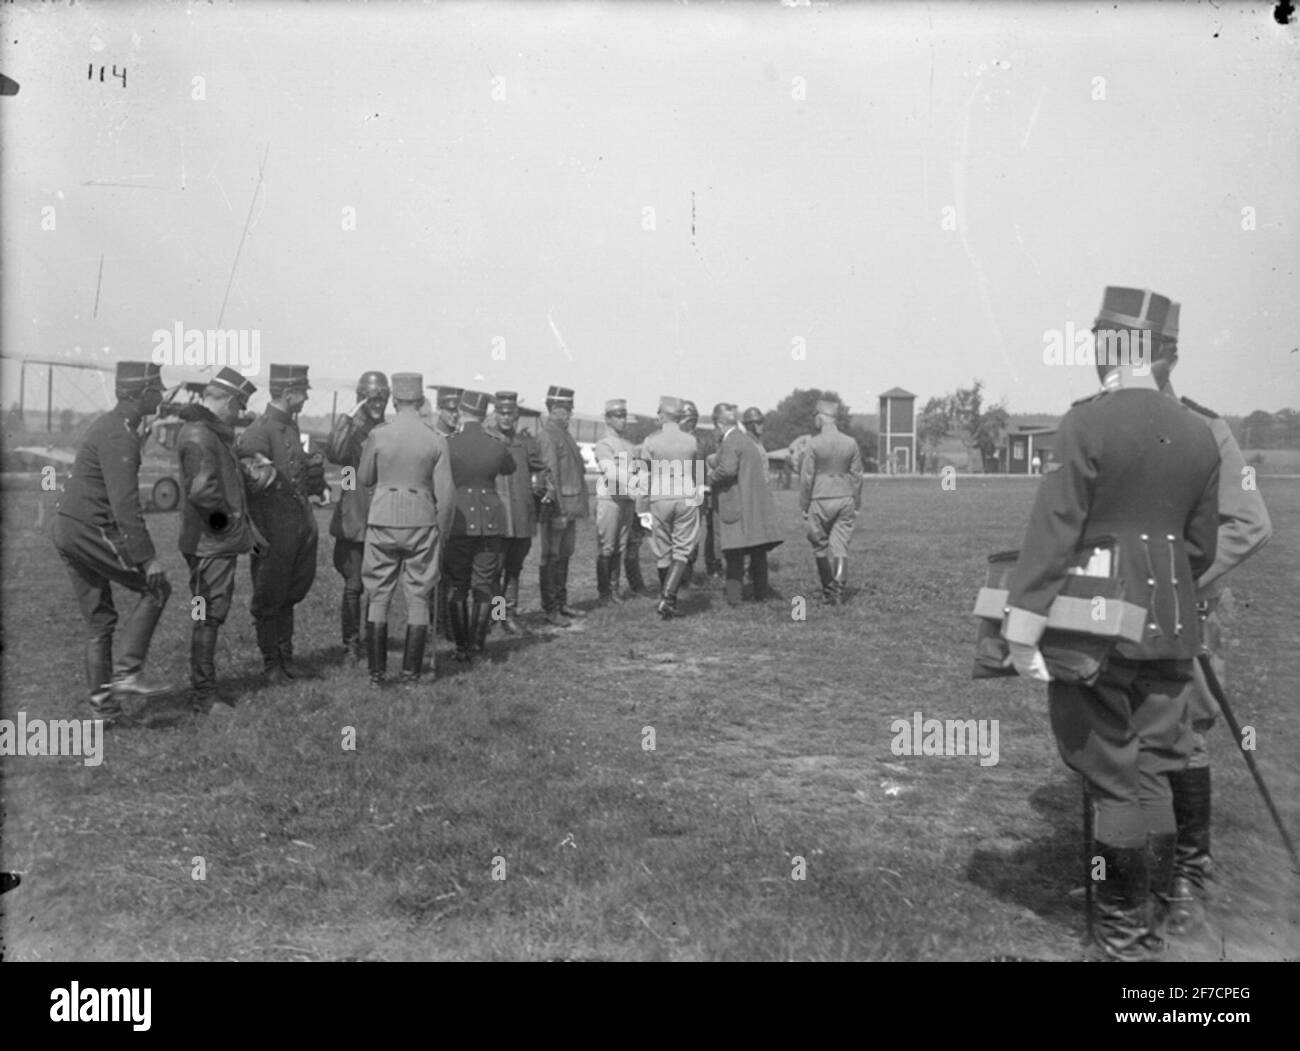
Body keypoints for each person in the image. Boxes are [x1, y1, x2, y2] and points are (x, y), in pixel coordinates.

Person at [1002, 286, 1220, 961]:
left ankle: (1122, 947)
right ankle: (1154, 925)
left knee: (1114, 779)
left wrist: (1020, 624)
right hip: (1173, 627)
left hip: (1096, 630)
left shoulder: (1085, 424)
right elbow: (1201, 547)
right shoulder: (1198, 430)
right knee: (1156, 768)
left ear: (1114, 346)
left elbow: (1053, 533)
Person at [1154, 302, 1273, 935]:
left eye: (1141, 353)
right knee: (1119, 726)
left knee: (1185, 733)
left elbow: (1251, 524)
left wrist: (1176, 580)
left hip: (1187, 610)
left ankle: (1189, 874)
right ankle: (1126, 863)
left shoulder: (1206, 430)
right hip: (1111, 611)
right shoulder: (1094, 426)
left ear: (1171, 355)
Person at [52, 361, 172, 724]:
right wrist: (147, 558)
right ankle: (127, 673)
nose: (162, 394)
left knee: (100, 620)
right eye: (156, 389)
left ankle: (102, 709)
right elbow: (125, 505)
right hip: (91, 528)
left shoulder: (113, 426)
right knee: (157, 589)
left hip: (67, 528)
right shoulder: (120, 435)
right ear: (138, 394)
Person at [357, 373, 454, 686]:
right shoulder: (435, 437)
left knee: (378, 594)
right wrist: (442, 531)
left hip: (383, 519)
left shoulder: (379, 434)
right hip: (422, 521)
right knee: (418, 596)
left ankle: (376, 674)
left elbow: (364, 477)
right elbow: (447, 496)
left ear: (394, 401)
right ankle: (411, 673)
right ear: (422, 401)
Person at [176, 367, 263, 713]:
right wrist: (230, 528)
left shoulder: (205, 432)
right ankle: (204, 696)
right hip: (209, 545)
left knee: (205, 612)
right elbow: (203, 493)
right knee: (208, 614)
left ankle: (202, 690)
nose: (239, 413)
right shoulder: (200, 435)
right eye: (238, 406)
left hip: (206, 543)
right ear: (226, 401)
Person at [235, 363, 327, 685]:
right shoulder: (259, 431)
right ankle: (271, 663)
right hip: (271, 531)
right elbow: (250, 481)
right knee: (269, 596)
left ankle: (287, 659)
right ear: (288, 393)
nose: (305, 399)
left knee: (290, 593)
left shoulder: (289, 427)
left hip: (298, 527)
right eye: (302, 393)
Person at [444, 391, 517, 661]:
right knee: (485, 583)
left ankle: (461, 648)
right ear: (486, 414)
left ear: (461, 412)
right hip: (490, 521)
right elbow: (509, 469)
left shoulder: (448, 443)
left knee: (458, 584)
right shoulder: (496, 444)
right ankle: (478, 644)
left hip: (459, 520)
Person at [326, 370, 390, 662]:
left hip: (382, 518)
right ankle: (351, 644)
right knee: (353, 587)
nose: (377, 403)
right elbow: (336, 454)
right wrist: (348, 418)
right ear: (360, 398)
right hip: (355, 518)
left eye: (382, 397)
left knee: (378, 587)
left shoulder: (387, 430)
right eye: (371, 397)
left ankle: (373, 640)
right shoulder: (351, 431)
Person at [485, 391, 549, 634]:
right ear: (495, 414)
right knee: (495, 570)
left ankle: (509, 614)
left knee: (514, 570)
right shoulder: (488, 441)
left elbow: (542, 468)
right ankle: (496, 613)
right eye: (501, 412)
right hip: (497, 518)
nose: (506, 417)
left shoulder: (526, 444)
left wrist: (540, 486)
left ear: (517, 415)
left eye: (510, 413)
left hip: (522, 516)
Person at [709, 402, 784, 605]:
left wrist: (709, 479)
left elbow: (728, 470)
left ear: (718, 423)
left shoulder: (730, 441)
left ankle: (734, 599)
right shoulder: (746, 441)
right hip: (753, 505)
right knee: (758, 552)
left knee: (733, 553)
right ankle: (760, 594)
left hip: (737, 504)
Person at [638, 396, 702, 619]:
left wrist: (642, 506)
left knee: (663, 551)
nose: (657, 416)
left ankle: (665, 597)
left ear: (664, 416)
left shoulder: (651, 441)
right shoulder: (691, 441)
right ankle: (669, 597)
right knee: (682, 550)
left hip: (660, 498)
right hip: (686, 496)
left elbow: (643, 476)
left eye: (658, 413)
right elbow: (698, 473)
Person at [800, 398, 863, 605]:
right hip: (845, 497)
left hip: (820, 497)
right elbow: (857, 476)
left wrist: (804, 504)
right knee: (840, 545)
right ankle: (839, 588)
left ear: (821, 417)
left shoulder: (814, 443)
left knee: (819, 545)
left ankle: (828, 587)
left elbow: (807, 477)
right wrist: (857, 502)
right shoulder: (850, 443)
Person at [536, 385, 590, 626]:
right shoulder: (548, 434)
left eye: (570, 409)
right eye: (564, 409)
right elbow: (550, 476)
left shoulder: (563, 433)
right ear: (553, 409)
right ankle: (550, 608)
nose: (569, 413)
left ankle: (561, 602)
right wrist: (555, 510)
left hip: (570, 506)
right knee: (550, 557)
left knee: (564, 556)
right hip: (558, 508)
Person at [424, 386, 462, 642]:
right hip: (434, 510)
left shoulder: (460, 437)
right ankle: (434, 624)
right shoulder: (430, 436)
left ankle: (498, 616)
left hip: (460, 514)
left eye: (457, 409)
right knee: (433, 573)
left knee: (455, 574)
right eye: (449, 409)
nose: (454, 415)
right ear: (439, 409)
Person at [592, 398, 637, 604]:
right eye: (618, 416)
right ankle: (604, 593)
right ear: (608, 419)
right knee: (607, 547)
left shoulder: (629, 446)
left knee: (620, 546)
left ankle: (614, 589)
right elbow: (609, 470)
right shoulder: (604, 444)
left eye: (624, 415)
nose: (622, 420)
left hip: (627, 500)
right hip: (609, 499)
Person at [681, 399, 722, 583]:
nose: (691, 423)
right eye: (688, 419)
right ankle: (682, 573)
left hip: (700, 493)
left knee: (697, 534)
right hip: (682, 493)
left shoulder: (703, 442)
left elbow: (709, 466)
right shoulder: (678, 442)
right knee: (685, 535)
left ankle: (698, 570)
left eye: (692, 419)